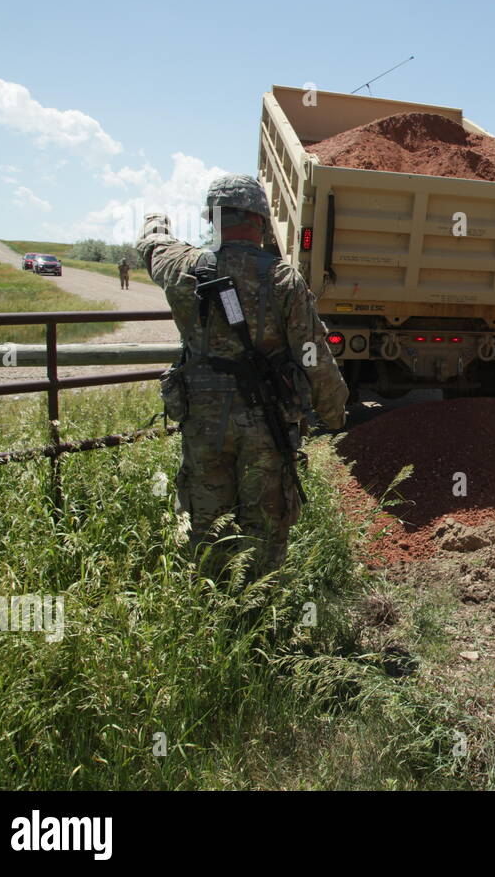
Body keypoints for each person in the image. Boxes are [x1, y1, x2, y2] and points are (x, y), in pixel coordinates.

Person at [136, 177, 348, 577]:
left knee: (206, 519)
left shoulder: (182, 267)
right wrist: (334, 414)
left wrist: (155, 222)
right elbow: (313, 357)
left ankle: (209, 604)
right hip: (263, 423)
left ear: (214, 220)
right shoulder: (283, 279)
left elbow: (153, 247)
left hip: (202, 420)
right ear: (261, 219)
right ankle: (257, 606)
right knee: (265, 524)